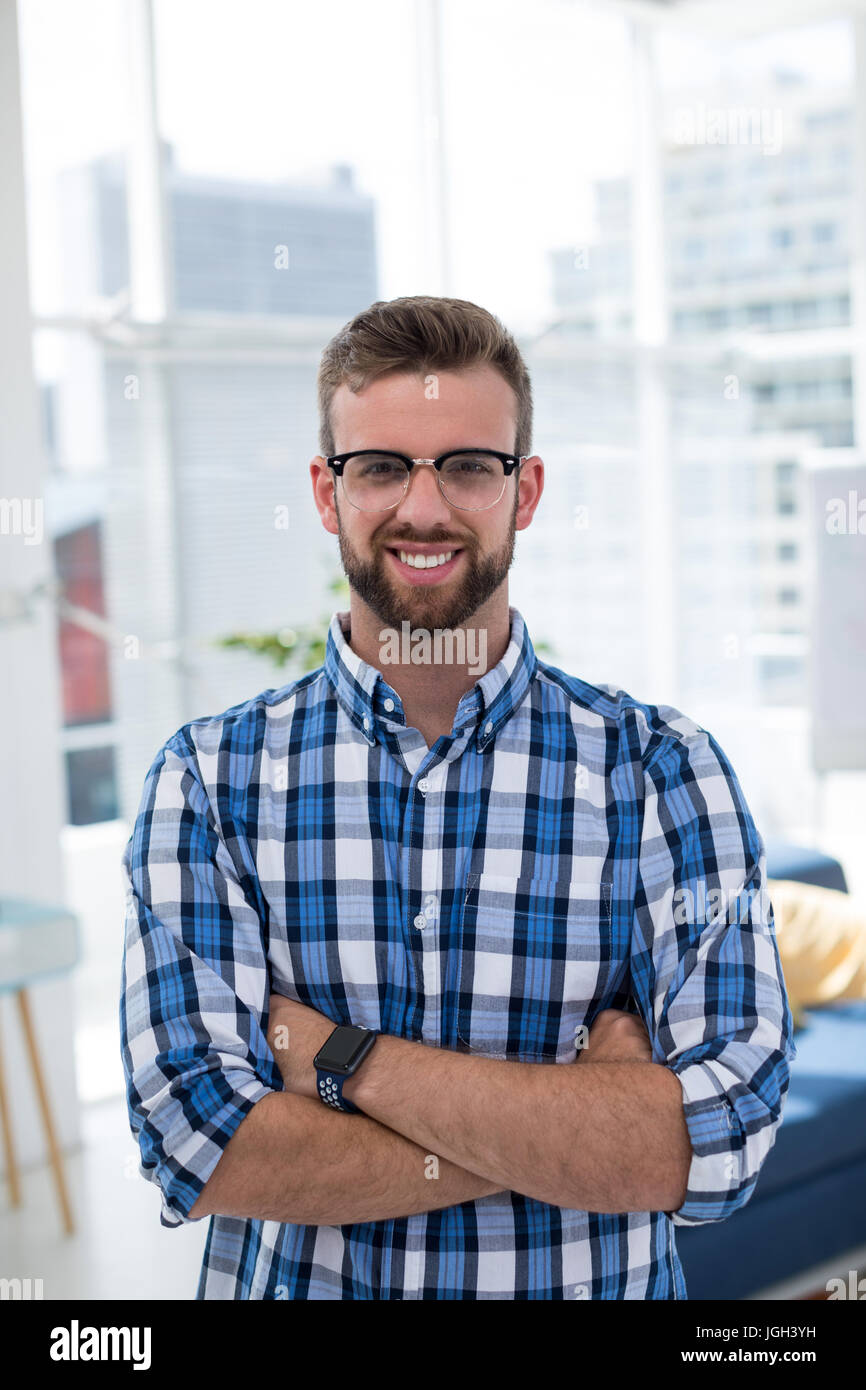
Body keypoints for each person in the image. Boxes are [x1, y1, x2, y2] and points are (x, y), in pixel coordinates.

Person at [120, 295, 796, 1299]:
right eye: (382, 465)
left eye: (468, 466)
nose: (423, 507)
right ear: (325, 491)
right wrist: (581, 1119)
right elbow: (197, 1142)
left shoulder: (662, 770)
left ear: (522, 491)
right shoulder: (208, 780)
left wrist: (336, 1059)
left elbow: (722, 1138)